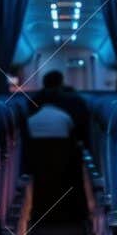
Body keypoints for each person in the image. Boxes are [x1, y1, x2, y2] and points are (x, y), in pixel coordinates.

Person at [25, 71, 89, 221]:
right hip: (67, 150)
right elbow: (81, 131)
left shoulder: (33, 100)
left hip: (36, 151)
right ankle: (70, 216)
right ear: (61, 82)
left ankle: (41, 216)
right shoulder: (74, 100)